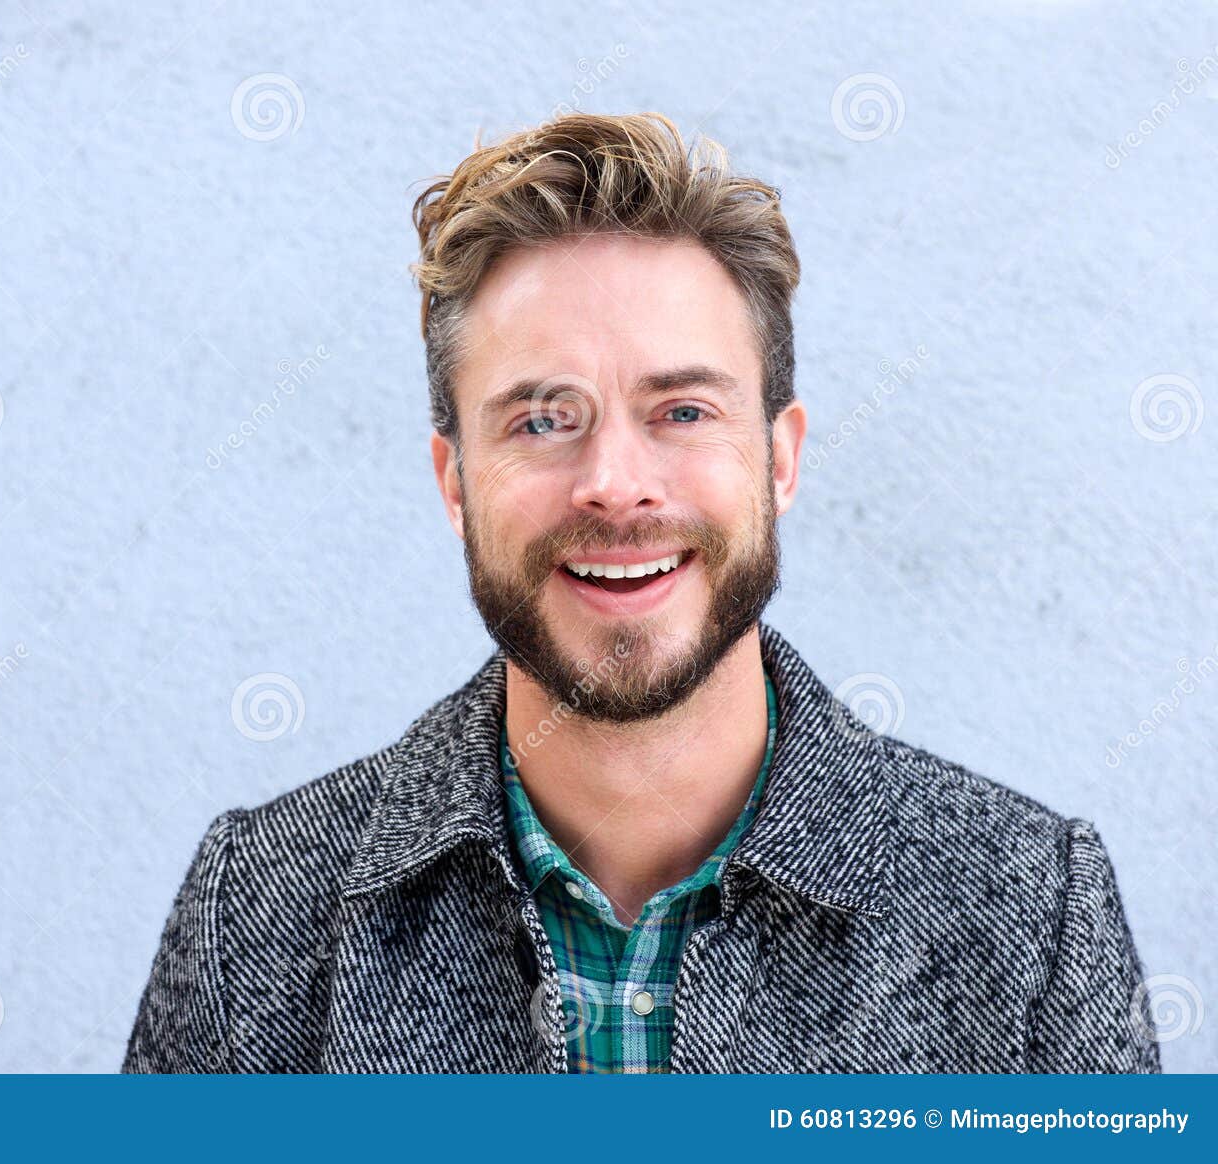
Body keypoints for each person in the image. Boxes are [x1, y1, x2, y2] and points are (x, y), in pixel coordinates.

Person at [122, 112, 1159, 1073]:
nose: (615, 483)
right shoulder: (253, 912)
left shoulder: (1027, 910)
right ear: (454, 484)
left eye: (682, 412)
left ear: (780, 460)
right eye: (540, 421)